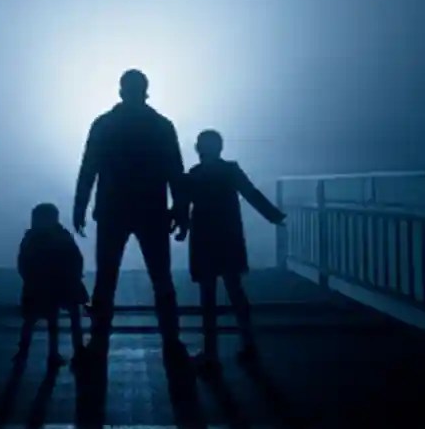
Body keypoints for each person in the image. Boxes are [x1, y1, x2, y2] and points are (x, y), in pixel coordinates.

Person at [73, 69, 189, 360]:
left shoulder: (104, 124)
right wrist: (181, 210)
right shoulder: (161, 126)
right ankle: (171, 339)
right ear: (145, 90)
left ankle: (98, 338)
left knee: (106, 277)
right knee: (160, 276)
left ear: (121, 90)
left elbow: (89, 167)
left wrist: (80, 205)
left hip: (113, 208)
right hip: (152, 209)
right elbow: (175, 170)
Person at [175, 129, 286, 372]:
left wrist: (182, 228)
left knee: (208, 297)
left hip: (204, 239)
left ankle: (211, 352)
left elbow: (183, 206)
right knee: (235, 290)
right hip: (228, 236)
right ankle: (248, 342)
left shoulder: (194, 175)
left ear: (198, 148)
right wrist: (273, 215)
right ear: (220, 148)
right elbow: (251, 194)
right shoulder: (230, 171)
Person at [16, 203, 89, 368]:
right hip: (65, 283)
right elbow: (76, 257)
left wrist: (28, 278)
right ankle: (77, 349)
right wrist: (76, 276)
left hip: (38, 284)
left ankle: (24, 351)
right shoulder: (62, 236)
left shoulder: (31, 238)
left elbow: (23, 262)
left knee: (33, 320)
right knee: (73, 316)